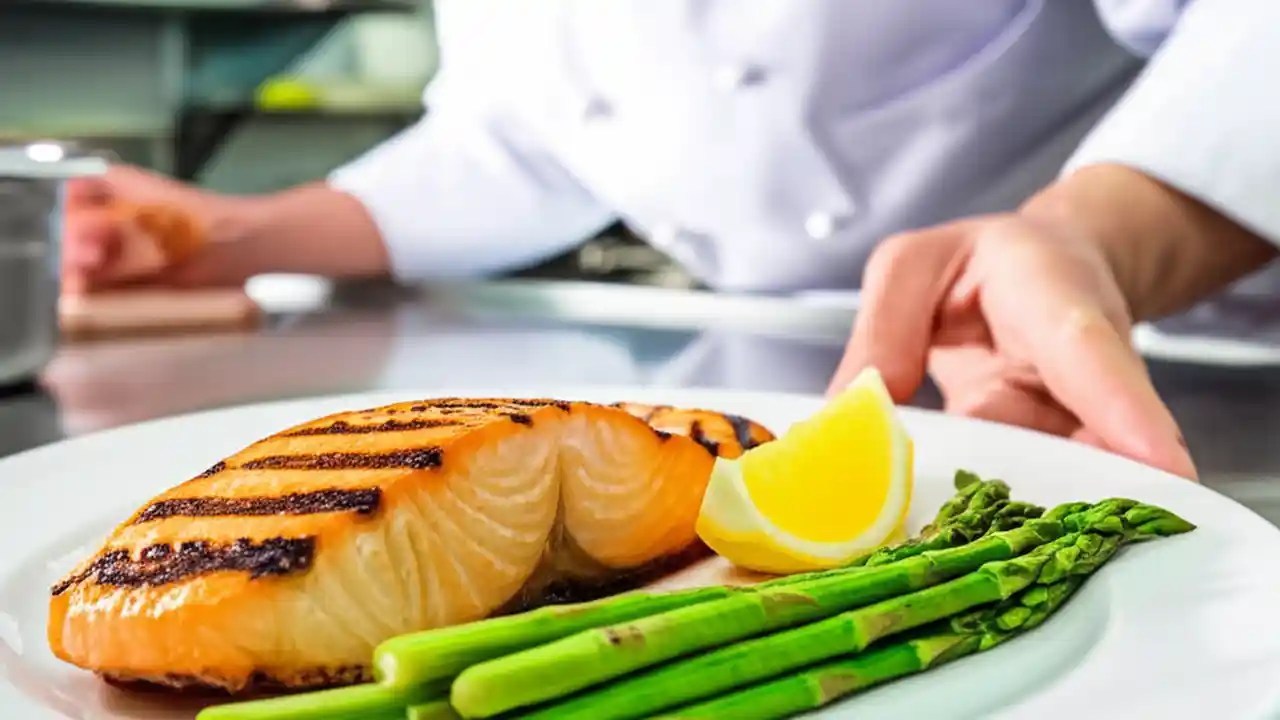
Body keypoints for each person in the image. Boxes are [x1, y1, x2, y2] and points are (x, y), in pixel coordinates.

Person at [63, 2, 1280, 480]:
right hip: (775, 362)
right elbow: (526, 138)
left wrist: (1094, 231)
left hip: (1145, 353)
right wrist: (243, 233)